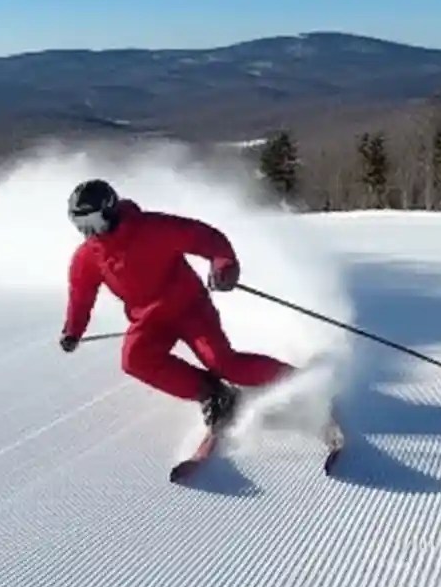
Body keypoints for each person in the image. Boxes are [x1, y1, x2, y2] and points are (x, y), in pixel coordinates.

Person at [57, 178, 293, 430]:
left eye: (92, 223)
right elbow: (81, 295)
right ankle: (214, 394)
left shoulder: (152, 228)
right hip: (150, 320)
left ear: (110, 211)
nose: (89, 233)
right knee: (135, 359)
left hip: (189, 307)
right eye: (80, 226)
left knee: (223, 363)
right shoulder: (88, 257)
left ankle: (294, 378)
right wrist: (73, 330)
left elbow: (205, 237)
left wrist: (223, 264)